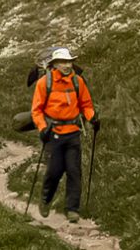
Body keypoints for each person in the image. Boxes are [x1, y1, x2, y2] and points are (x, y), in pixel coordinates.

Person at [30, 47, 97, 223]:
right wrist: (42, 128)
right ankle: (45, 199)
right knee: (55, 170)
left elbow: (86, 105)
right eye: (63, 62)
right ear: (55, 64)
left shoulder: (77, 82)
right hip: (53, 134)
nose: (67, 65)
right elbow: (37, 110)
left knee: (74, 172)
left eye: (69, 62)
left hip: (73, 133)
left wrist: (92, 118)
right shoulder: (44, 83)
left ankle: (72, 209)